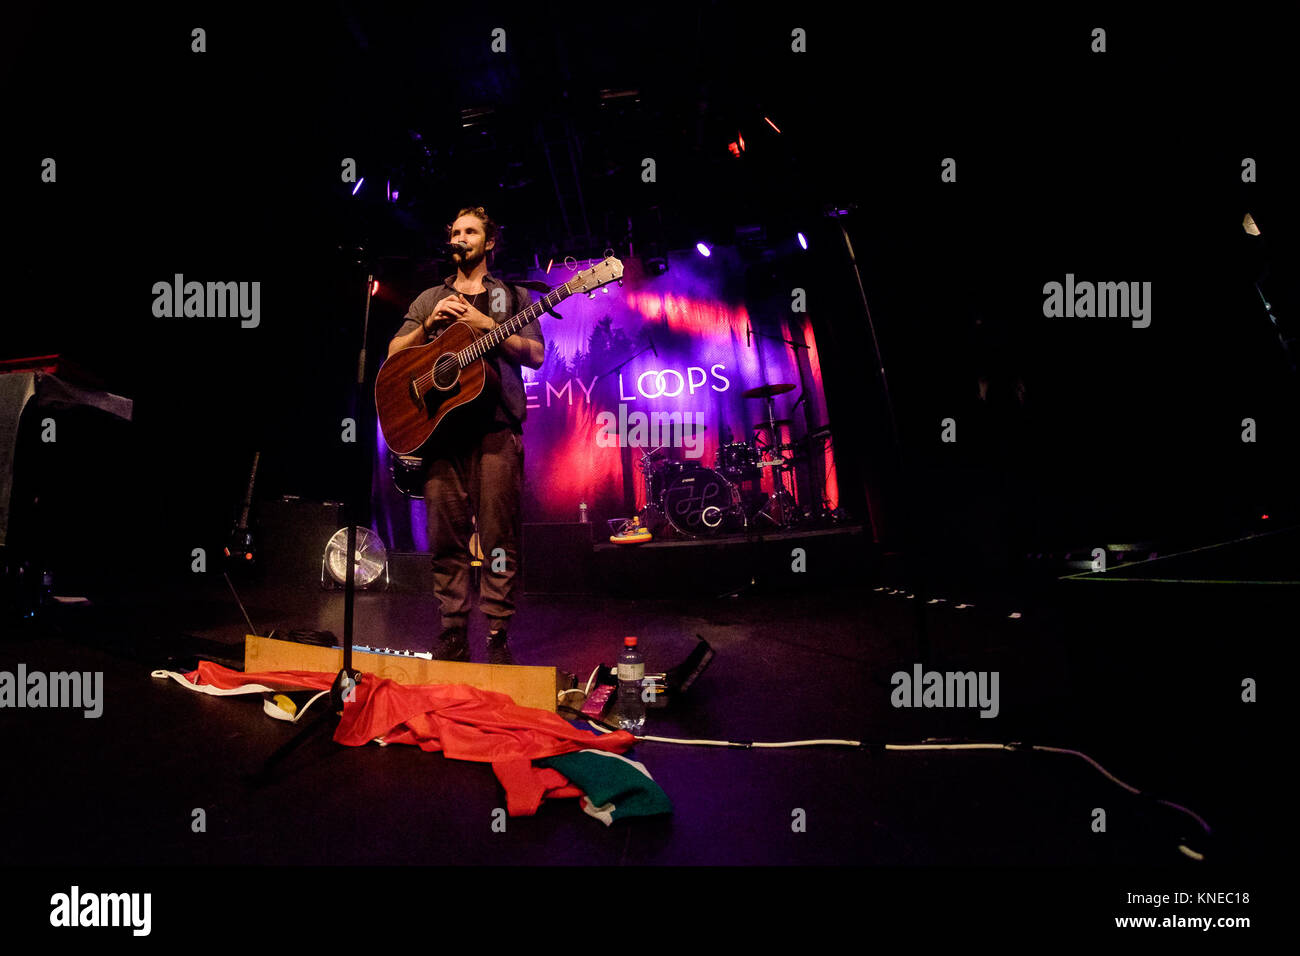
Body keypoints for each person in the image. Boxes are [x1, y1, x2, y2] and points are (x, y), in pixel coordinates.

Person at [387, 207, 545, 664]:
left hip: (495, 431)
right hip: (441, 436)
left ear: (489, 242)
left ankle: (497, 630)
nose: (460, 237)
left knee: (497, 538)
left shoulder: (510, 296)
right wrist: (428, 325)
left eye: (470, 231)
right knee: (445, 539)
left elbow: (535, 354)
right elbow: (395, 353)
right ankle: (453, 629)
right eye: (455, 231)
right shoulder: (429, 297)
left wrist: (487, 329)